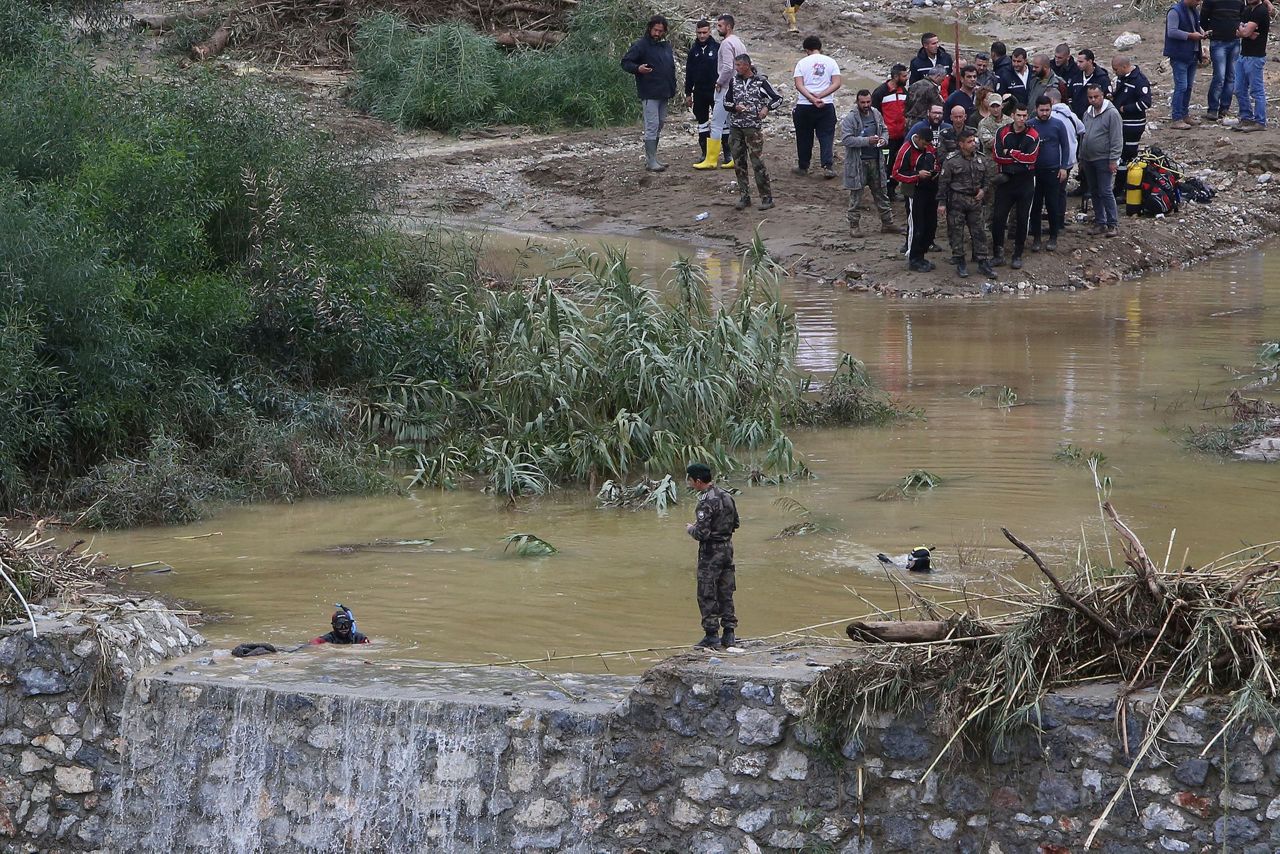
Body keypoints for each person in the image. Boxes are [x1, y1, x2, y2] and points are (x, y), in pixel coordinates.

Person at [685, 462, 739, 650]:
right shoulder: (727, 496)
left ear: (698, 481)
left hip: (710, 553)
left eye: (690, 480)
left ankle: (711, 636)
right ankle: (729, 634)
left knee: (707, 592)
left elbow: (702, 534)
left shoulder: (705, 502)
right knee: (726, 591)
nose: (689, 484)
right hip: (727, 549)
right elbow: (736, 524)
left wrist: (691, 529)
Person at [724, 54, 783, 210]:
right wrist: (734, 107)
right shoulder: (733, 81)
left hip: (752, 127)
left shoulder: (760, 82)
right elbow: (726, 102)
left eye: (739, 65)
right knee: (739, 163)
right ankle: (744, 197)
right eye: (735, 65)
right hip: (736, 126)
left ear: (747, 66)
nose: (736, 68)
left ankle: (766, 198)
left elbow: (777, 98)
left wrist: (766, 108)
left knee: (757, 162)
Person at [620, 16, 677, 173]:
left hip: (664, 91)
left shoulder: (665, 46)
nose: (657, 33)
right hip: (649, 92)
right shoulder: (640, 45)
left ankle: (653, 158)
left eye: (660, 31)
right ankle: (650, 160)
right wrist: (638, 69)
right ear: (649, 28)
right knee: (651, 125)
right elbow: (625, 62)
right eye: (655, 30)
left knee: (659, 125)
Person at [938, 129, 997, 278]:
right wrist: (942, 203)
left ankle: (982, 261)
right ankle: (960, 261)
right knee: (956, 232)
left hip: (975, 201)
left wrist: (983, 190)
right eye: (969, 142)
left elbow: (987, 178)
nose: (973, 144)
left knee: (979, 232)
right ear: (961, 144)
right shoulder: (951, 160)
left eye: (974, 141)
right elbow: (943, 183)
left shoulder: (981, 159)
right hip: (957, 200)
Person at [842, 89, 902, 234]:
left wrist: (883, 140)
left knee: (881, 193)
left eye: (868, 102)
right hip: (858, 163)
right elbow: (846, 139)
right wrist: (867, 141)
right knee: (856, 196)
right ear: (857, 102)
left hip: (876, 161)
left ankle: (887, 223)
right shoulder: (850, 118)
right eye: (863, 102)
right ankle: (854, 226)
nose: (866, 105)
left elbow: (885, 130)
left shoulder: (876, 114)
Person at [990, 103, 1040, 269]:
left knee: (1022, 218)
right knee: (998, 218)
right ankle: (998, 253)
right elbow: (997, 156)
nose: (1022, 119)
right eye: (1019, 115)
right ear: (1012, 115)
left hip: (1025, 182)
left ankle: (1017, 254)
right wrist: (1019, 159)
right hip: (1006, 181)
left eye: (1025, 116)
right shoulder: (1002, 132)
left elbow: (1031, 159)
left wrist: (1010, 153)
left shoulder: (1033, 134)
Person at [694, 14, 746, 170]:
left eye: (720, 26)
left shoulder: (726, 44)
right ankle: (734, 158)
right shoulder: (739, 42)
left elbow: (728, 67)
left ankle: (711, 159)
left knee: (716, 124)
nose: (718, 29)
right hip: (737, 86)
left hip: (726, 88)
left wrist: (719, 82)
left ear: (728, 27)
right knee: (731, 123)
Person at [792, 35, 843, 178]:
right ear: (820, 48)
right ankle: (827, 166)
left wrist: (811, 98)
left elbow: (799, 84)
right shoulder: (831, 62)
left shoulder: (802, 63)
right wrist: (821, 96)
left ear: (806, 50)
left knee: (804, 136)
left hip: (804, 105)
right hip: (826, 104)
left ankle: (803, 166)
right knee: (826, 136)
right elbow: (836, 83)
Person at [891, 127, 939, 271]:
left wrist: (935, 171)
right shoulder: (905, 150)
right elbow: (896, 173)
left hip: (930, 190)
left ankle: (922, 255)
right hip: (914, 192)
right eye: (924, 143)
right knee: (917, 226)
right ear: (917, 138)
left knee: (931, 225)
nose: (926, 146)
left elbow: (936, 162)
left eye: (928, 144)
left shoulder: (930, 148)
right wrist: (917, 175)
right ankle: (913, 258)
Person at [1028, 95, 1071, 252]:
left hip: (1053, 170)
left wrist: (1064, 167)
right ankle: (1037, 238)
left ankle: (1053, 236)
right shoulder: (1030, 125)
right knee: (1036, 205)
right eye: (1042, 110)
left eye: (1048, 110)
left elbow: (1066, 147)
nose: (1045, 113)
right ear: (1036, 109)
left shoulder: (1058, 124)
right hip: (1034, 172)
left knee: (1053, 205)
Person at [1081, 83, 1123, 237]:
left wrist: (1114, 159)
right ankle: (1100, 222)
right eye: (1090, 97)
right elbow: (1083, 135)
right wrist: (1081, 157)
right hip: (1088, 158)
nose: (1093, 100)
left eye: (1096, 97)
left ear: (1103, 95)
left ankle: (1113, 224)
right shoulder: (1087, 113)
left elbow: (1117, 138)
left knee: (1105, 190)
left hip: (1104, 158)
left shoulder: (1112, 114)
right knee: (1094, 191)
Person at [1164, 0, 1208, 129]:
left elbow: (1195, 26)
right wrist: (1190, 36)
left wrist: (1202, 33)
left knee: (1188, 87)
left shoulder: (1193, 10)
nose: (1199, 2)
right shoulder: (1175, 11)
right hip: (1179, 55)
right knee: (1181, 86)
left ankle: (1184, 114)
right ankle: (1177, 117)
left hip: (1192, 54)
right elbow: (1172, 31)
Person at [872, 64, 911, 200]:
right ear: (895, 77)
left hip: (901, 136)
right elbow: (874, 115)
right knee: (884, 165)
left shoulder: (904, 92)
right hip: (887, 138)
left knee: (897, 164)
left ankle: (892, 190)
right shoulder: (880, 93)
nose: (906, 78)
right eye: (904, 76)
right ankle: (883, 191)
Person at [1202, 0, 1244, 121]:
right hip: (1218, 41)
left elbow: (1242, 16)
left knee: (1231, 76)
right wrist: (1212, 31)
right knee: (1219, 76)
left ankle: (1224, 108)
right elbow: (1203, 19)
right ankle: (1213, 109)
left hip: (1234, 41)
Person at [685, 20, 720, 161]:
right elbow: (689, 74)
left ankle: (726, 153)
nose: (701, 36)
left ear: (710, 32)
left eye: (704, 32)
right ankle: (705, 153)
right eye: (699, 33)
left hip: (715, 91)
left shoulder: (718, 48)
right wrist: (688, 94)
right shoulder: (693, 51)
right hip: (699, 92)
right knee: (702, 123)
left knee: (721, 124)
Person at [1234, 0, 1270, 130]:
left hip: (1255, 56)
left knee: (1256, 90)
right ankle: (1246, 117)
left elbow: (1243, 33)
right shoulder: (1248, 10)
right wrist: (1246, 31)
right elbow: (1239, 31)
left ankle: (1260, 122)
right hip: (1243, 55)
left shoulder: (1261, 11)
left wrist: (1244, 31)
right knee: (1239, 88)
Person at [1111, 56, 1153, 163]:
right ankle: (1121, 176)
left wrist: (1125, 109)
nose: (1115, 72)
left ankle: (1128, 176)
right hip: (1122, 123)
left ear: (1124, 67)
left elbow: (1146, 102)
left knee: (1129, 153)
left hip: (1133, 125)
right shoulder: (1123, 77)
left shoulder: (1139, 80)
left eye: (1116, 69)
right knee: (1120, 152)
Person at [1049, 88, 1085, 203]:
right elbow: (1082, 129)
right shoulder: (1071, 115)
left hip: (1053, 160)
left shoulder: (1050, 116)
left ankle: (1053, 216)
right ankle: (1060, 218)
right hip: (1069, 160)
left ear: (1051, 100)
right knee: (1061, 190)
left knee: (1052, 191)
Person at [1070, 49, 1112, 119]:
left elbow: (1108, 100)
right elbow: (1070, 95)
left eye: (1081, 62)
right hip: (1077, 119)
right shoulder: (1076, 77)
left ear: (1090, 61)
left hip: (1096, 118)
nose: (1078, 64)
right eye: (1077, 61)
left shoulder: (1102, 78)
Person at [978, 92, 1011, 158]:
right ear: (988, 107)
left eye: (998, 106)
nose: (995, 110)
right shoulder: (983, 123)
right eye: (992, 106)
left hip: (1008, 160)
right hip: (991, 162)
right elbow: (988, 143)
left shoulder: (1010, 122)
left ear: (1002, 106)